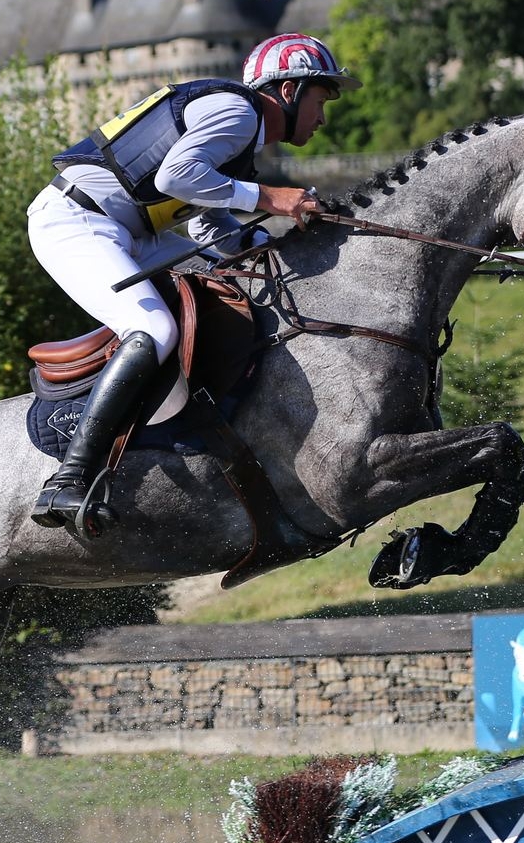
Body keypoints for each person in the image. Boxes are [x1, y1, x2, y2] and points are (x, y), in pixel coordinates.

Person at [27, 32, 360, 531]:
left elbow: (209, 229)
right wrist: (271, 196)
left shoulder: (242, 140)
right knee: (155, 330)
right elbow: (174, 179)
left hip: (131, 232)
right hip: (77, 222)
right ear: (288, 91)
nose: (323, 117)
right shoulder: (239, 112)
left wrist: (279, 246)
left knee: (236, 286)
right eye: (320, 99)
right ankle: (68, 480)